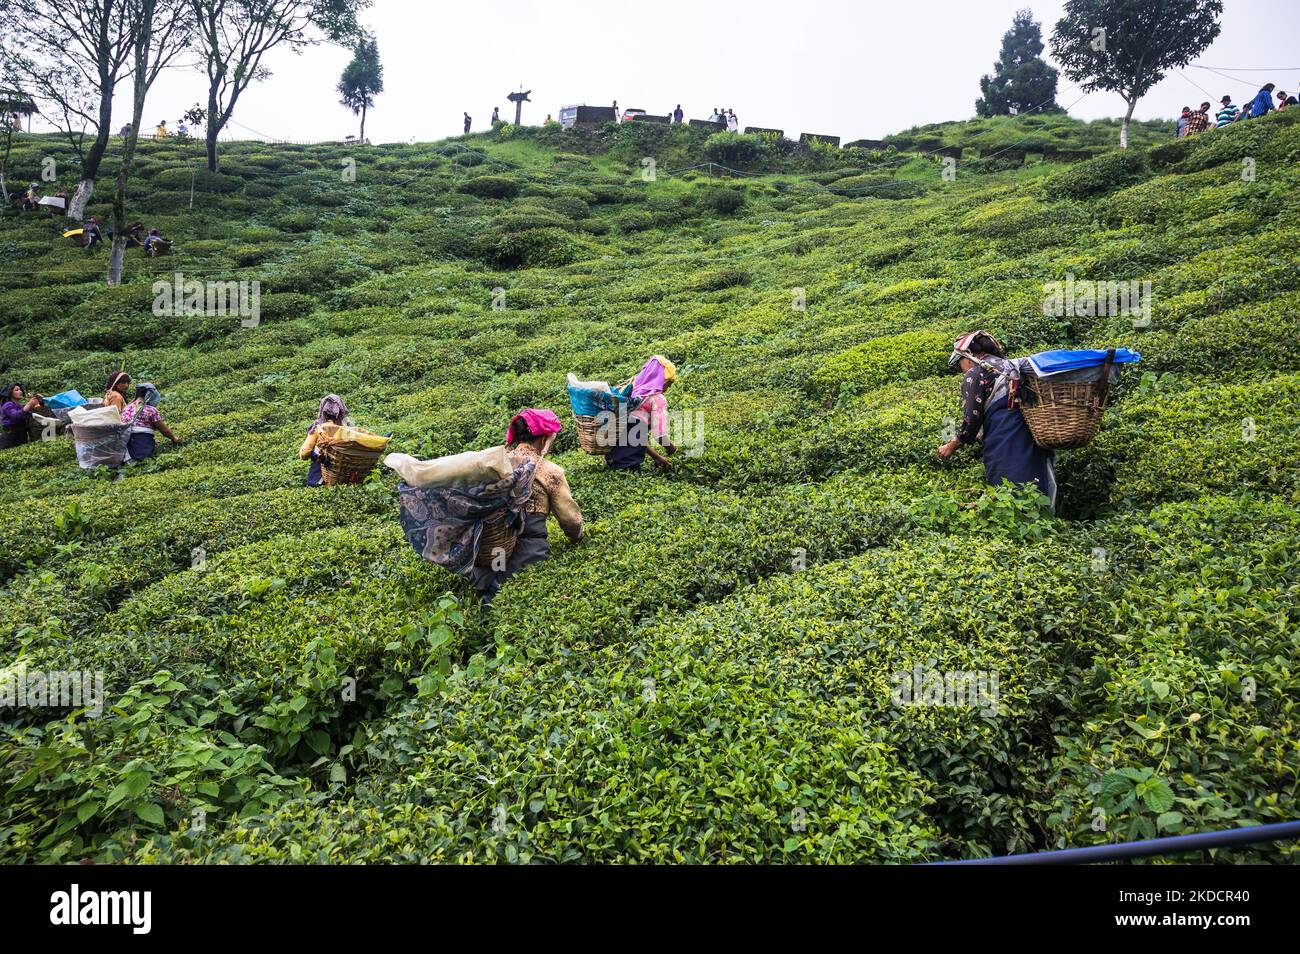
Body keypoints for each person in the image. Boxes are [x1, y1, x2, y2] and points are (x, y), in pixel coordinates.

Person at [468, 408, 583, 604]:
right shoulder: (549, 471)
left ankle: (489, 591)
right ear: (543, 439)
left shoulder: (495, 464)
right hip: (528, 554)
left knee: (493, 588)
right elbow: (571, 521)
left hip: (488, 556)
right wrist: (578, 536)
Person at [937, 331, 1057, 510]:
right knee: (1036, 484)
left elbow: (971, 419)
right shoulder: (1013, 367)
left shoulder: (976, 373)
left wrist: (952, 445)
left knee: (1009, 489)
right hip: (1032, 437)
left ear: (968, 356)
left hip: (1005, 441)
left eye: (959, 361)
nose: (961, 367)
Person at [606, 355, 678, 472]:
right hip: (630, 461)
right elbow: (660, 436)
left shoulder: (632, 393)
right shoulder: (657, 399)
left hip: (612, 458)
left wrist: (657, 457)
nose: (667, 388)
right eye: (668, 384)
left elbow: (635, 437)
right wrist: (672, 449)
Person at [299, 393, 349, 487]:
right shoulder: (347, 426)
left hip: (320, 472)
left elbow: (305, 452)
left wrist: (302, 454)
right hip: (345, 472)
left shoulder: (318, 426)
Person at [122, 382, 179, 461]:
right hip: (141, 445)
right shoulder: (150, 410)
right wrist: (174, 439)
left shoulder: (127, 408)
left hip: (125, 446)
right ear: (150, 395)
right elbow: (164, 431)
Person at [1, 383, 44, 450]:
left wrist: (39, 401)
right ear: (10, 393)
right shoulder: (7, 405)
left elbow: (29, 412)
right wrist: (29, 404)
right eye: (17, 390)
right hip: (10, 438)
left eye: (20, 389)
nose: (20, 391)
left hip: (21, 436)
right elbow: (15, 416)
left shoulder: (19, 405)